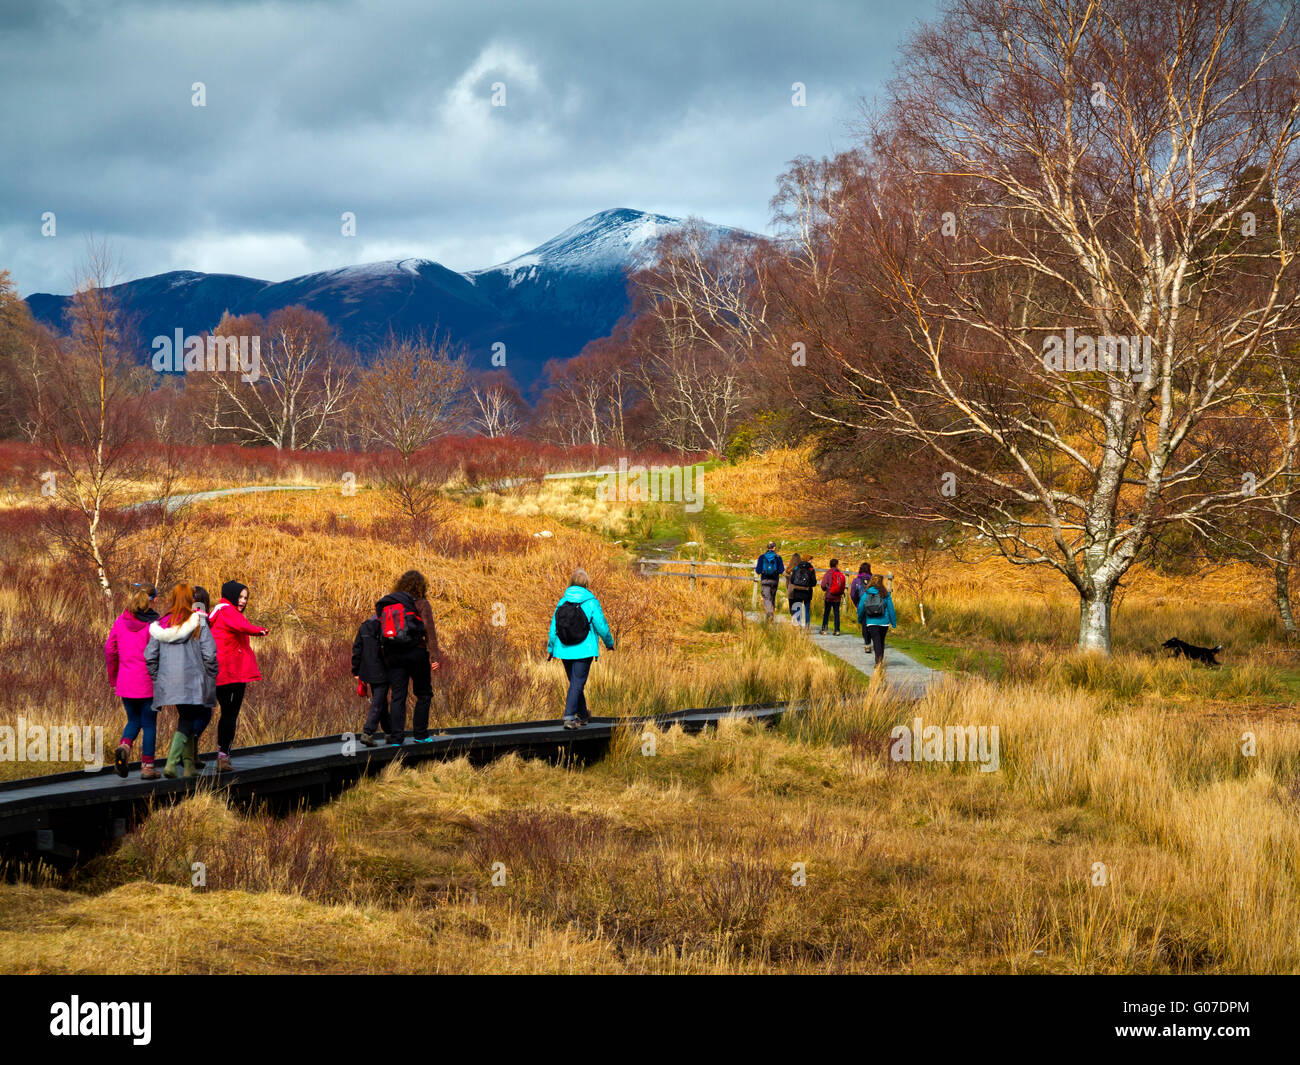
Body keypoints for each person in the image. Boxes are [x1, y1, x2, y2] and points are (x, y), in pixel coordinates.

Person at [145, 582, 218, 779]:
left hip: (169, 682)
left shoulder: (161, 624)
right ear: (190, 599)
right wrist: (211, 675)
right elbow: (209, 653)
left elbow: (150, 655)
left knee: (185, 717)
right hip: (193, 681)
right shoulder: (199, 621)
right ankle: (171, 763)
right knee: (188, 719)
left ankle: (189, 768)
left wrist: (158, 677)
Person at [376, 570, 440, 746]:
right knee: (424, 693)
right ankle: (420, 735)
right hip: (417, 653)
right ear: (421, 586)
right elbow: (429, 631)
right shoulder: (421, 603)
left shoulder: (390, 604)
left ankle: (396, 738)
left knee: (398, 696)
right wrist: (434, 656)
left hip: (393, 655)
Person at [209, 580, 268, 772]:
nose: (242, 601)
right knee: (230, 715)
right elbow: (242, 626)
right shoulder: (227, 611)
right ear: (231, 595)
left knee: (224, 714)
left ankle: (215, 755)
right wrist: (259, 630)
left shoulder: (219, 611)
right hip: (230, 674)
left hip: (225, 673)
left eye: (245, 598)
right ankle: (223, 757)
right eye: (240, 597)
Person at [105, 582, 161, 780]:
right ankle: (147, 767)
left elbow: (110, 650)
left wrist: (114, 677)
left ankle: (124, 746)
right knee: (149, 724)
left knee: (133, 720)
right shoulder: (154, 624)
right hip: (148, 683)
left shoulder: (121, 621)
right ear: (153, 600)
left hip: (126, 682)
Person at [546, 568, 614, 730]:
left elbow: (554, 627)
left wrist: (551, 648)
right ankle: (569, 717)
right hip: (584, 650)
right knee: (577, 683)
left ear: (571, 583)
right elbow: (602, 626)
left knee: (575, 683)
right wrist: (609, 643)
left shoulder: (562, 601)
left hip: (564, 649)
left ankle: (583, 715)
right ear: (586, 584)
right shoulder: (591, 601)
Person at [352, 602, 393, 747]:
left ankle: (389, 733)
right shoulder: (385, 626)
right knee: (378, 702)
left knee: (380, 701)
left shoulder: (364, 626)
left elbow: (357, 648)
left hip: (367, 671)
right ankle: (368, 733)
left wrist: (356, 671)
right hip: (382, 670)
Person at [856, 573, 898, 669]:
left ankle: (878, 661)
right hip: (884, 622)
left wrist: (859, 618)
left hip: (871, 621)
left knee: (876, 641)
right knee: (881, 641)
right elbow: (891, 608)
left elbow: (861, 608)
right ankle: (880, 660)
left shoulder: (867, 593)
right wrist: (893, 622)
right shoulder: (885, 594)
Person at [754, 542, 784, 621]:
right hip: (774, 581)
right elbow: (781, 570)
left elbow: (758, 571)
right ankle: (771, 618)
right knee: (772, 598)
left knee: (767, 598)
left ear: (767, 548)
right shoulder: (778, 557)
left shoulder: (762, 557)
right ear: (774, 548)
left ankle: (769, 614)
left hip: (765, 580)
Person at [787, 554, 817, 629]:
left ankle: (798, 625)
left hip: (797, 591)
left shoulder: (797, 567)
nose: (811, 561)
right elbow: (814, 582)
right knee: (807, 609)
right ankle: (807, 626)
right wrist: (808, 585)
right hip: (807, 591)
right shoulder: (811, 568)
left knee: (798, 608)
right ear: (808, 560)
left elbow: (792, 580)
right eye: (811, 560)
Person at [818, 559, 846, 636]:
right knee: (836, 613)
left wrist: (825, 589)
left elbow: (823, 585)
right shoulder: (839, 573)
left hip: (829, 596)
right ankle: (837, 630)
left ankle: (824, 630)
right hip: (837, 597)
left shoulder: (828, 573)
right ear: (837, 565)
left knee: (826, 613)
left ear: (830, 565)